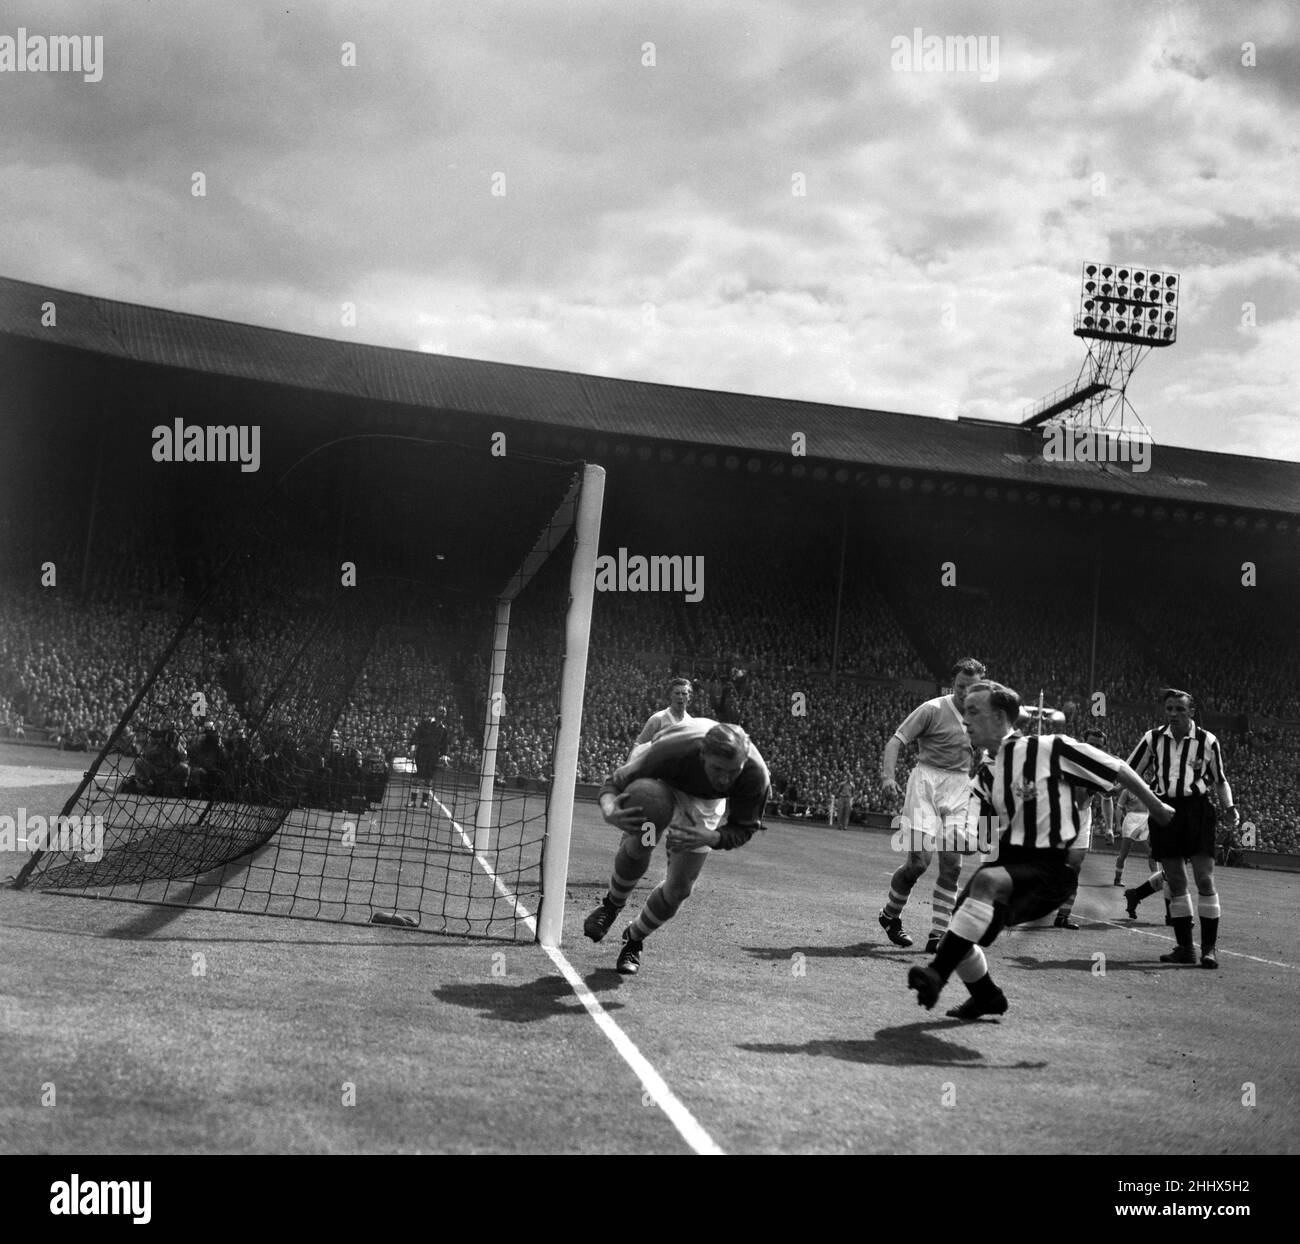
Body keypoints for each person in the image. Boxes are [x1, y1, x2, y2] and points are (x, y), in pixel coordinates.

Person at [907, 681, 1174, 1020]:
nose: (965, 720)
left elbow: (1116, 767)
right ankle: (987, 996)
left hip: (1048, 872)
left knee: (983, 885)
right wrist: (954, 835)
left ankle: (935, 976)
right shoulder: (986, 776)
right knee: (959, 933)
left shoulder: (1050, 749)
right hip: (1008, 869)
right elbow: (973, 830)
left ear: (1000, 716)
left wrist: (1158, 807)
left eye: (973, 711)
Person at [583, 718, 770, 976]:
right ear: (702, 754)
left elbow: (744, 828)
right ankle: (612, 905)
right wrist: (609, 809)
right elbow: (613, 783)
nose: (726, 779)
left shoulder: (755, 774)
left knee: (680, 889)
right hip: (661, 785)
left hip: (704, 804)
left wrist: (711, 837)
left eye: (733, 771)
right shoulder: (670, 751)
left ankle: (634, 938)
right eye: (718, 769)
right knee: (642, 844)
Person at [1120, 689, 1239, 969]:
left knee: (1205, 879)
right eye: (1169, 709)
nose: (1173, 714)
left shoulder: (1208, 741)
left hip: (1197, 810)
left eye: (1180, 709)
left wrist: (1230, 807)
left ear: (1191, 712)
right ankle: (1185, 948)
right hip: (1164, 810)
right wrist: (1106, 785)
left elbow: (1220, 780)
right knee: (1175, 880)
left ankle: (1209, 949)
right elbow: (1128, 769)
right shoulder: (1152, 738)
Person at [878, 657, 986, 954]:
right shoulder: (933, 709)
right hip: (926, 784)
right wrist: (888, 778)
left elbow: (993, 753)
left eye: (972, 687)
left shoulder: (982, 715)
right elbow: (895, 741)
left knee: (952, 864)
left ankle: (939, 934)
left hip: (960, 786)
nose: (966, 693)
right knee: (919, 863)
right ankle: (890, 916)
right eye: (961, 686)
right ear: (953, 684)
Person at [1050, 724, 1115, 930]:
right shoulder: (1068, 761)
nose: (1094, 748)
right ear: (1082, 743)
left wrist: (1109, 826)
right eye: (1090, 744)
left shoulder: (1101, 768)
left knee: (1074, 869)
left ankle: (1063, 916)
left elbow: (1106, 797)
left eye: (1099, 746)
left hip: (1083, 819)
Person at [627, 677, 693, 760]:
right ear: (670, 695)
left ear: (689, 697)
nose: (680, 697)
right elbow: (639, 743)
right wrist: (629, 767)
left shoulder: (691, 722)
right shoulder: (658, 719)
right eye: (677, 693)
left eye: (684, 693)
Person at [410, 706, 450, 809]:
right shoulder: (425, 723)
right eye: (440, 711)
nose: (442, 714)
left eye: (444, 712)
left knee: (429, 778)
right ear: (436, 712)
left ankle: (424, 802)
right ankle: (412, 801)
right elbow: (416, 735)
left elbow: (444, 745)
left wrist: (444, 756)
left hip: (433, 755)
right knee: (417, 777)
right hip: (421, 752)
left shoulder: (444, 729)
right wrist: (413, 748)